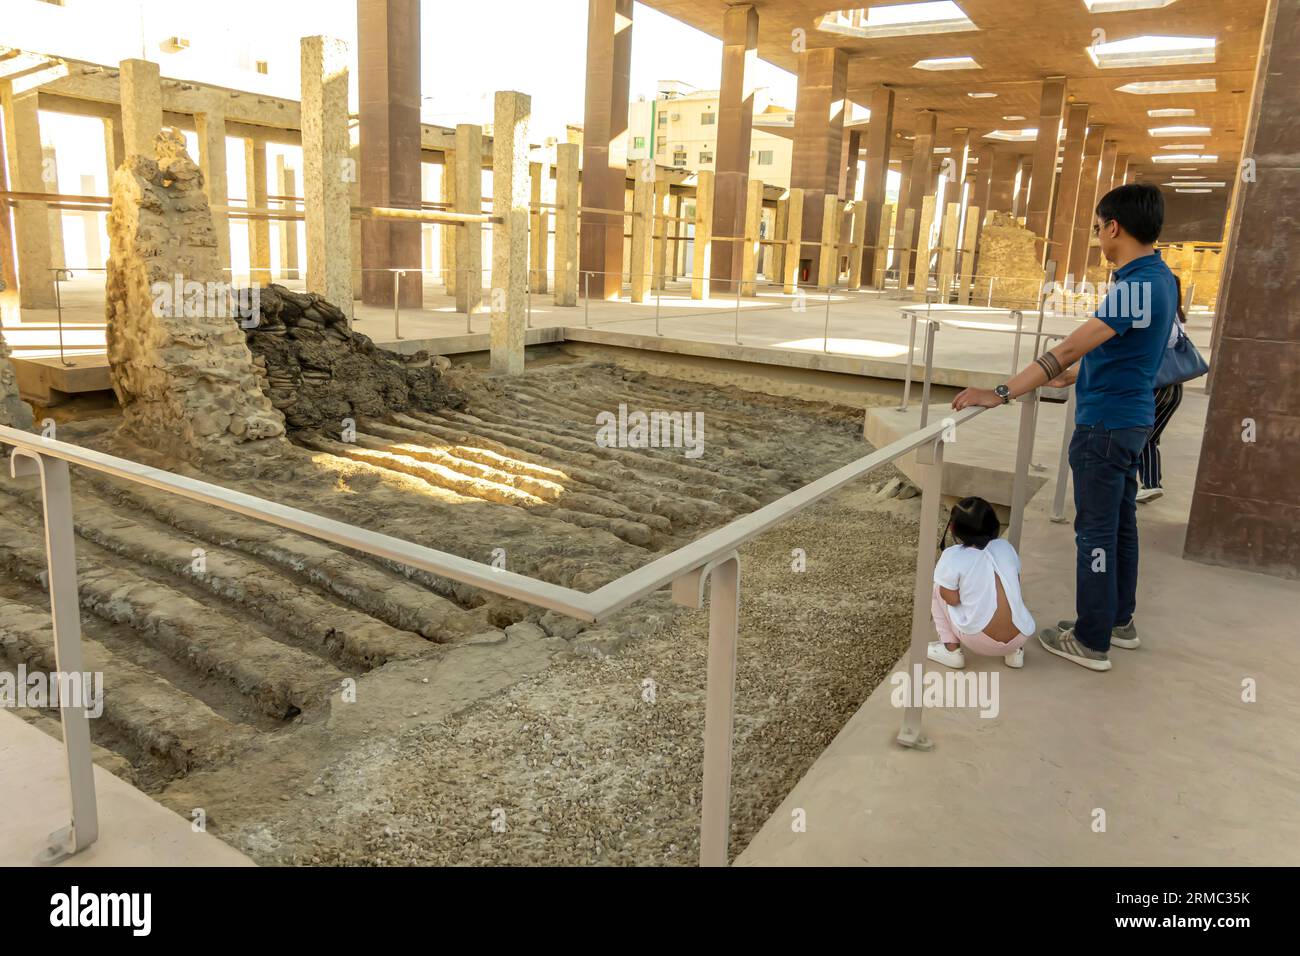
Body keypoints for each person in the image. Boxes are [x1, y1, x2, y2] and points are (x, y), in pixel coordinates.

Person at [951, 183, 1178, 672]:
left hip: (1104, 426)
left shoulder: (1135, 286)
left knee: (1094, 534)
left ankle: (1091, 639)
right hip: (1132, 419)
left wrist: (1002, 392)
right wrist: (1072, 373)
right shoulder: (1161, 278)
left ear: (1113, 227)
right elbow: (1123, 356)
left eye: (1098, 228)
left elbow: (1070, 350)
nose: (1098, 236)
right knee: (1120, 526)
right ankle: (1120, 622)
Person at [928, 496, 1035, 670]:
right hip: (1021, 635)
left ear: (953, 529)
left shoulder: (952, 556)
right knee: (1010, 592)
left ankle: (950, 649)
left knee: (938, 588)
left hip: (979, 640)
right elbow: (1016, 582)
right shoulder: (1006, 547)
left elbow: (951, 600)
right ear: (994, 524)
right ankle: (1014, 653)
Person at [1136, 274, 1188, 503]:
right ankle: (1151, 483)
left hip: (1157, 384)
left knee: (1133, 433)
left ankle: (1140, 483)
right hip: (1175, 386)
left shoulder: (1160, 316)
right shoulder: (1178, 316)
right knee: (1150, 436)